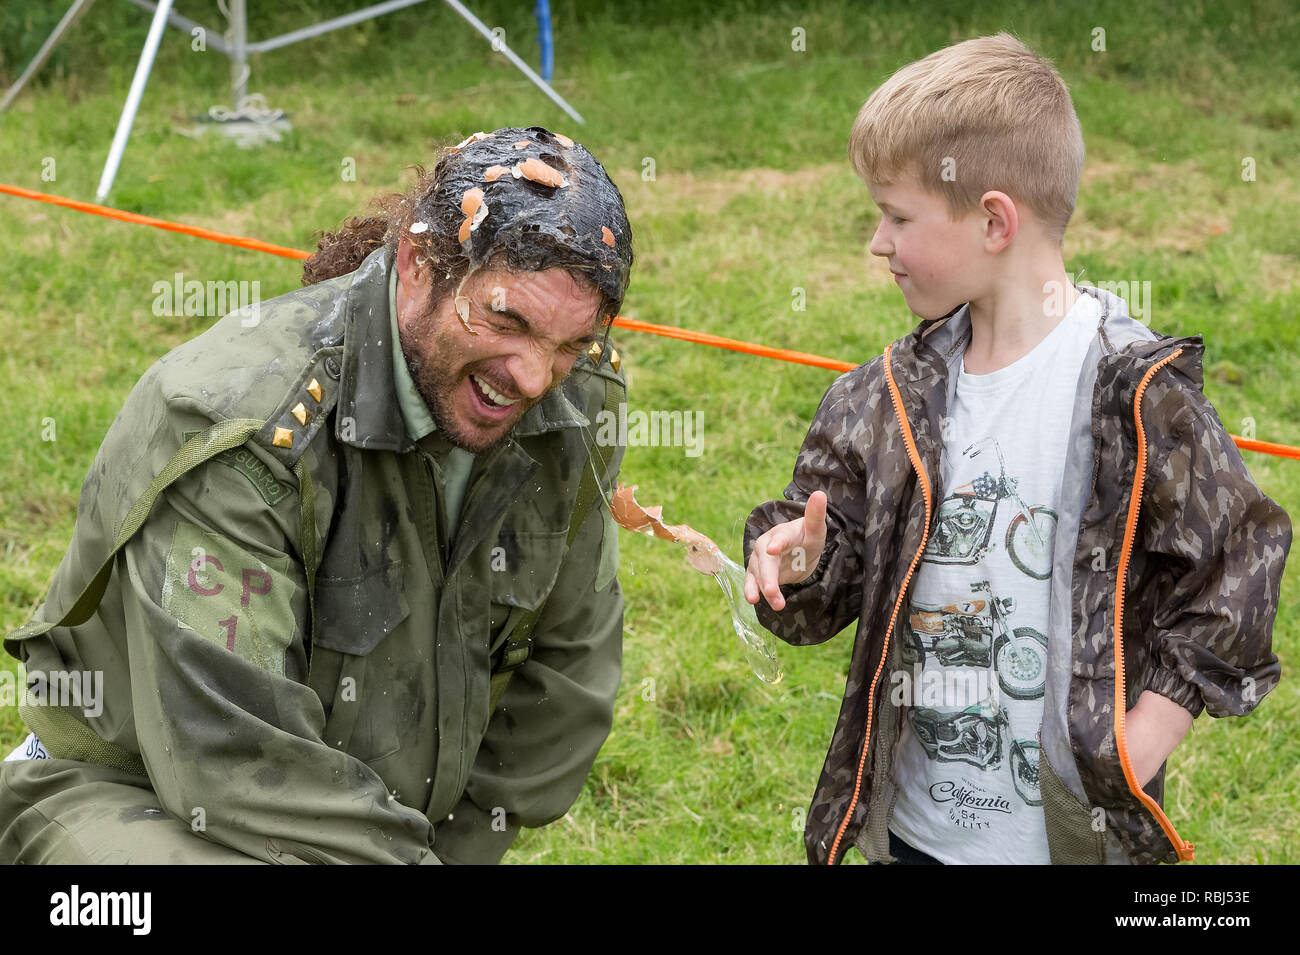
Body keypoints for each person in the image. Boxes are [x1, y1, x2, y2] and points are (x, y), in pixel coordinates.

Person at [0, 126, 633, 864]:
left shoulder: (576, 402)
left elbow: (567, 677)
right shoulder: (241, 433)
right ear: (420, 265)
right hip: (134, 796)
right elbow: (233, 760)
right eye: (505, 320)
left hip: (368, 828)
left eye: (567, 344)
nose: (532, 377)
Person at [742, 35, 1290, 866]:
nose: (876, 243)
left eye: (896, 215)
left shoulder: (1134, 394)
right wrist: (801, 562)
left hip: (1069, 840)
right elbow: (831, 585)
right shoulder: (886, 396)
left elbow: (1239, 554)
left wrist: (1150, 728)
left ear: (995, 220)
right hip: (916, 834)